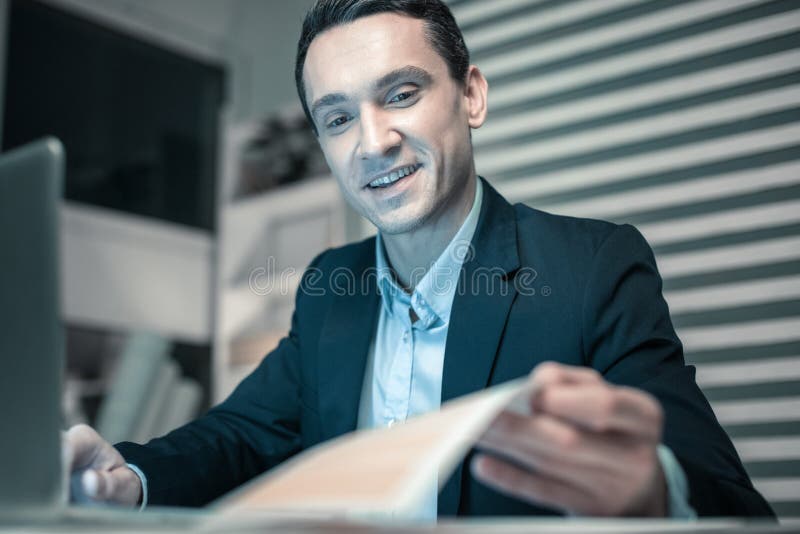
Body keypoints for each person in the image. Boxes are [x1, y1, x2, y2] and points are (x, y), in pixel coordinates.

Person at [65, 0, 774, 519]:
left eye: (401, 94)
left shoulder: (592, 267)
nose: (372, 142)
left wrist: (654, 494)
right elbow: (242, 433)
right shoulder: (328, 290)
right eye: (338, 118)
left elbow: (728, 503)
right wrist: (129, 475)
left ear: (471, 95)